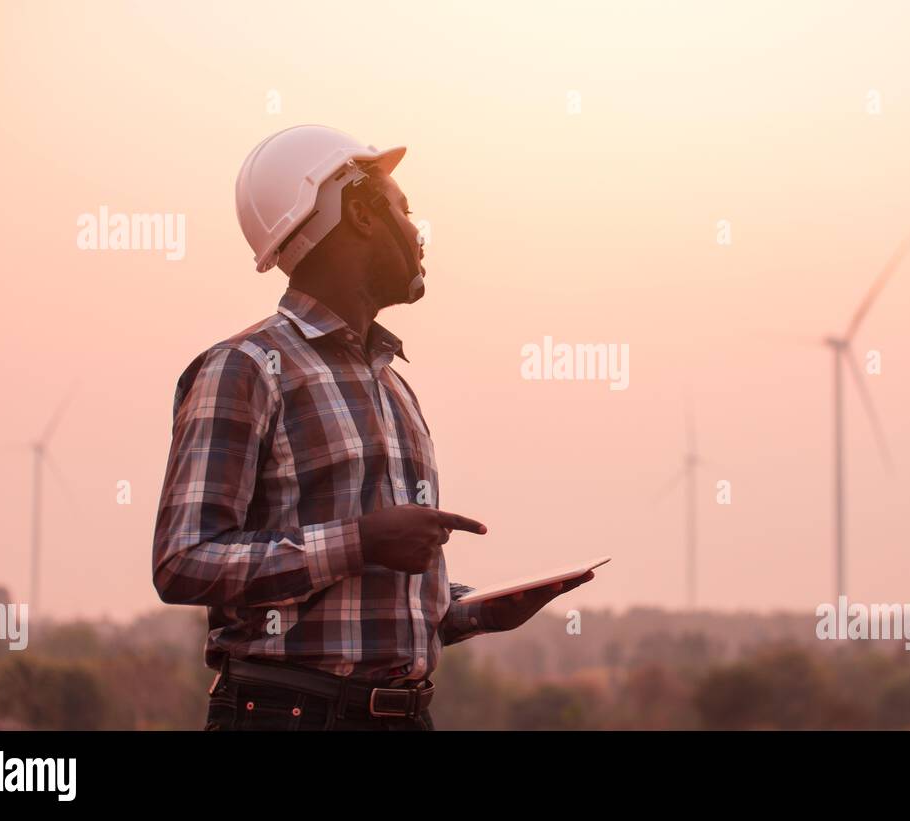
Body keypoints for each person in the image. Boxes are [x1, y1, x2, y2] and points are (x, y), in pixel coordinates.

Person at [152, 125, 592, 730]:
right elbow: (184, 561)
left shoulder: (393, 386)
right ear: (361, 213)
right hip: (289, 715)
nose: (417, 233)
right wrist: (360, 540)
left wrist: (476, 610)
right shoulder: (246, 368)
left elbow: (356, 609)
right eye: (404, 211)